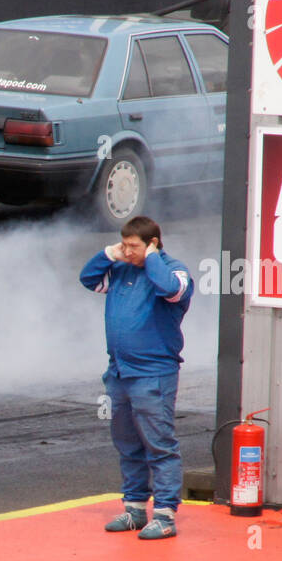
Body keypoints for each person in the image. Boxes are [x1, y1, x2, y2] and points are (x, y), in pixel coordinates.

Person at [79, 215, 194, 540]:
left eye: (133, 246)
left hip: (153, 374)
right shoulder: (121, 269)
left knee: (159, 444)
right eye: (124, 244)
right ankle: (134, 509)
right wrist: (108, 254)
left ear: (154, 244)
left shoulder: (173, 271)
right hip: (119, 372)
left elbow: (170, 289)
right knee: (127, 443)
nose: (127, 252)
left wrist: (152, 258)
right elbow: (88, 279)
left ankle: (165, 515)